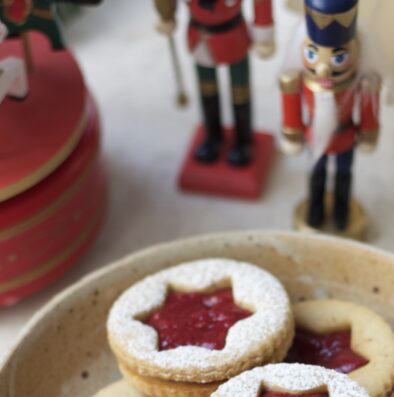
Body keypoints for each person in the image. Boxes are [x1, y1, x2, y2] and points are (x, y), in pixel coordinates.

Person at [280, 0, 380, 230]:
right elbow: (291, 106)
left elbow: (368, 109)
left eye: (337, 58)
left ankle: (341, 210)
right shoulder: (299, 81)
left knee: (343, 174)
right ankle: (315, 209)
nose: (323, 69)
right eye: (312, 55)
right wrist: (292, 133)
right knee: (316, 173)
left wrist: (369, 133)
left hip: (345, 137)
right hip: (315, 136)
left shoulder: (359, 83)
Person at [155, 0, 274, 167]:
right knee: (207, 89)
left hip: (233, 37)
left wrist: (263, 34)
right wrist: (166, 14)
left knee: (240, 91)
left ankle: (243, 141)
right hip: (200, 38)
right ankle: (212, 137)